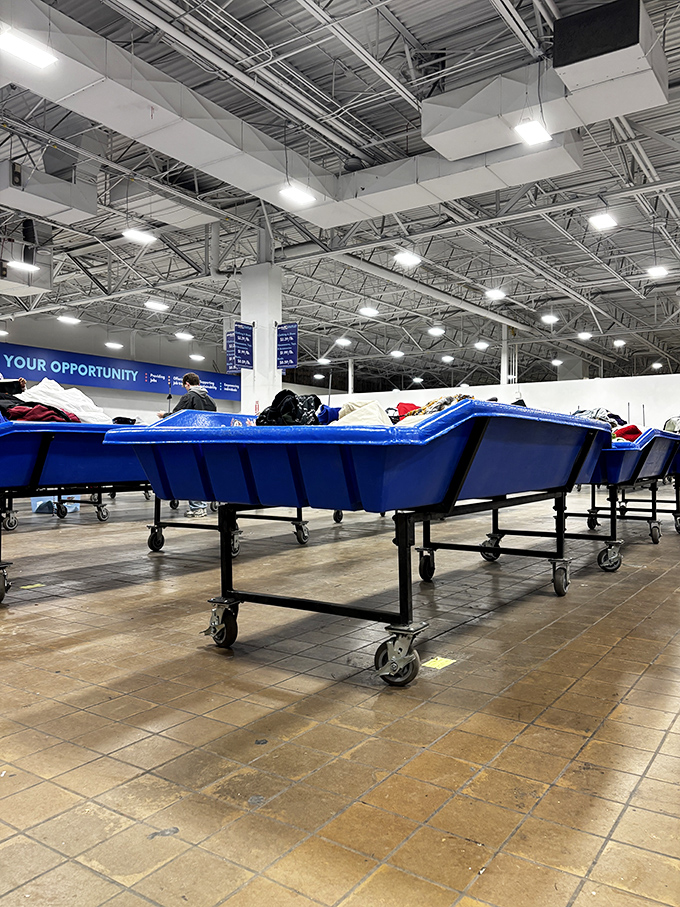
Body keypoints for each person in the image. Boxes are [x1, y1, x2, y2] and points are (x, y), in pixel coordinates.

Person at [157, 372, 217, 518]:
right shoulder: (211, 400)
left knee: (192, 472)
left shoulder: (188, 397)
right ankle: (205, 503)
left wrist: (163, 415)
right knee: (205, 472)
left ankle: (197, 508)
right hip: (207, 442)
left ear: (187, 384)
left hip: (191, 441)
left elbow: (177, 416)